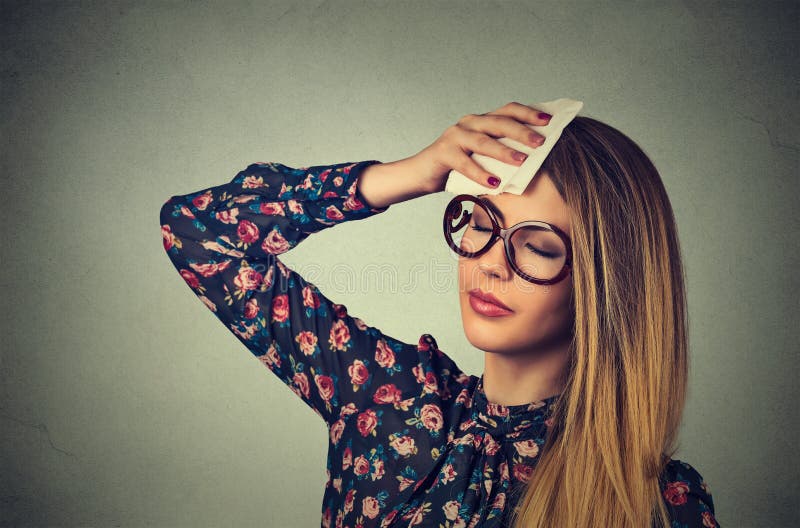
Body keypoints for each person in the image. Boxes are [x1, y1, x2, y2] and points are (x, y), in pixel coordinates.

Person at [159, 102, 719, 527]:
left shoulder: (660, 505)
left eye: (539, 247)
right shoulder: (387, 398)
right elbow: (197, 232)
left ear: (606, 285)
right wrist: (407, 175)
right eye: (478, 221)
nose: (491, 264)